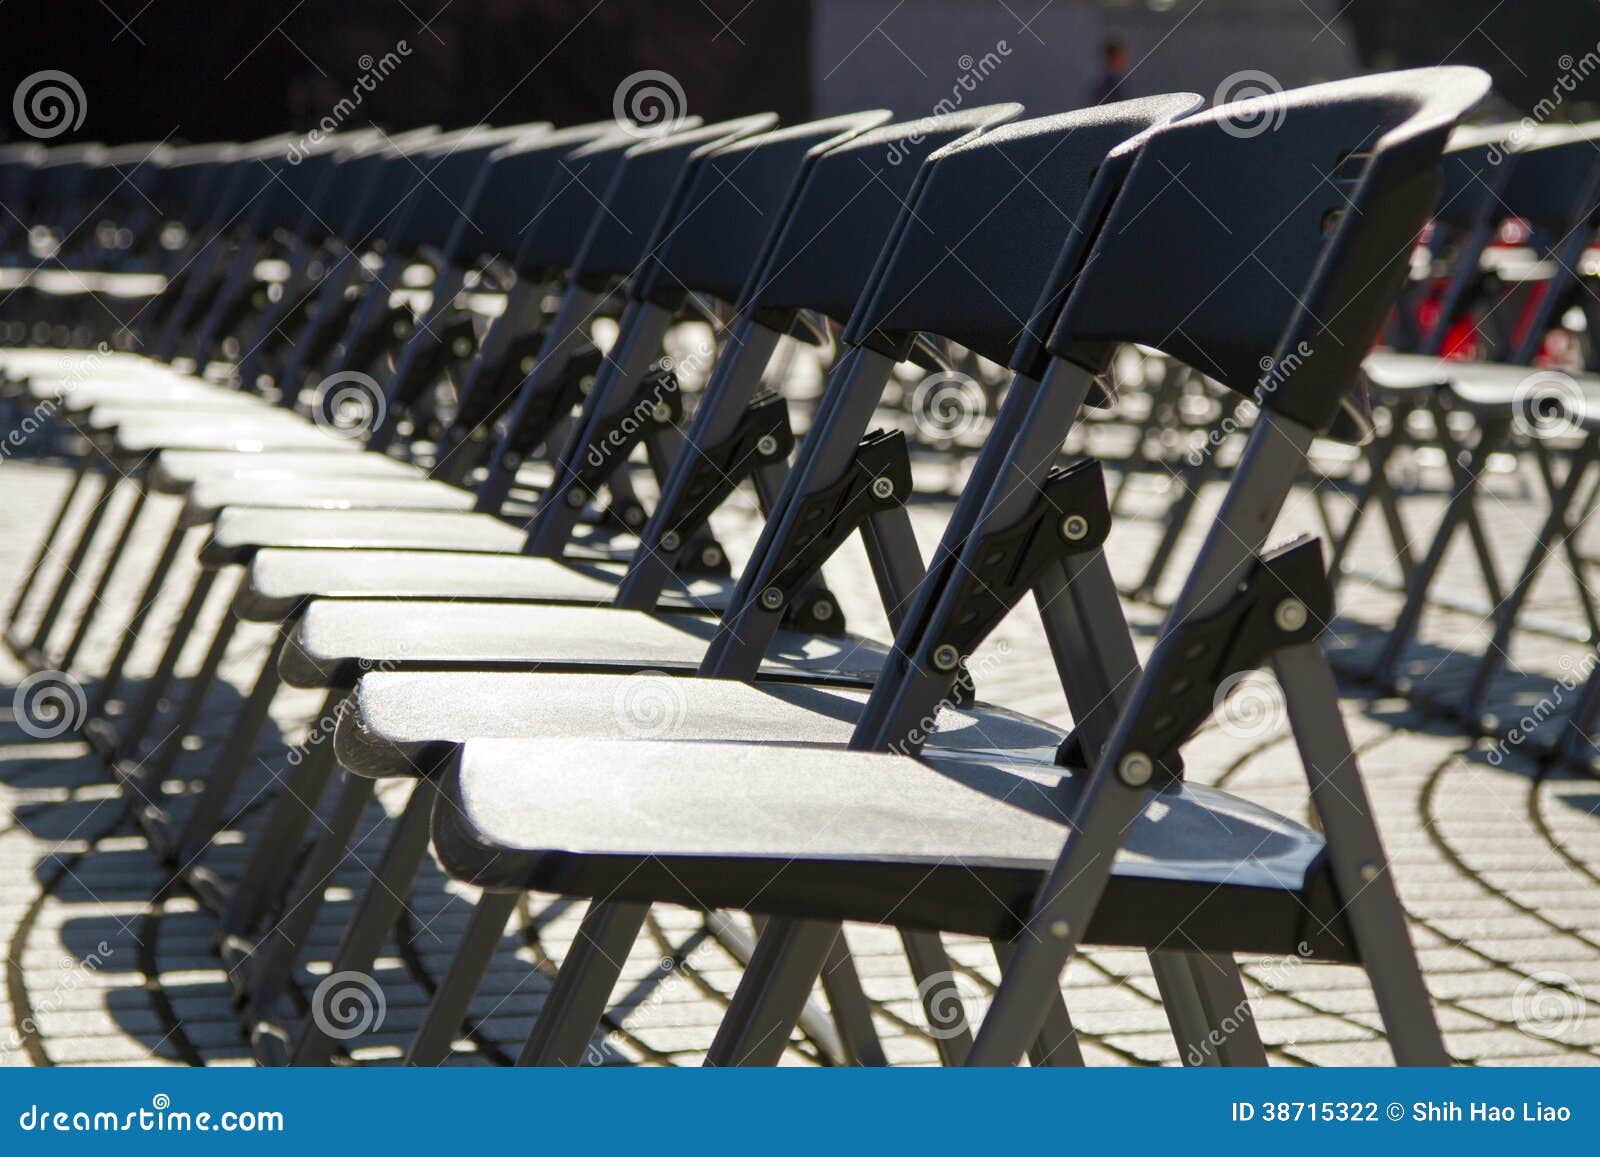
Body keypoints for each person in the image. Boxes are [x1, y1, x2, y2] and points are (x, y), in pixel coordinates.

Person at [1087, 36, 1131, 105]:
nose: (1123, 60)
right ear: (1111, 58)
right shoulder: (1105, 85)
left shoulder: (1120, 81)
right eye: (1119, 57)